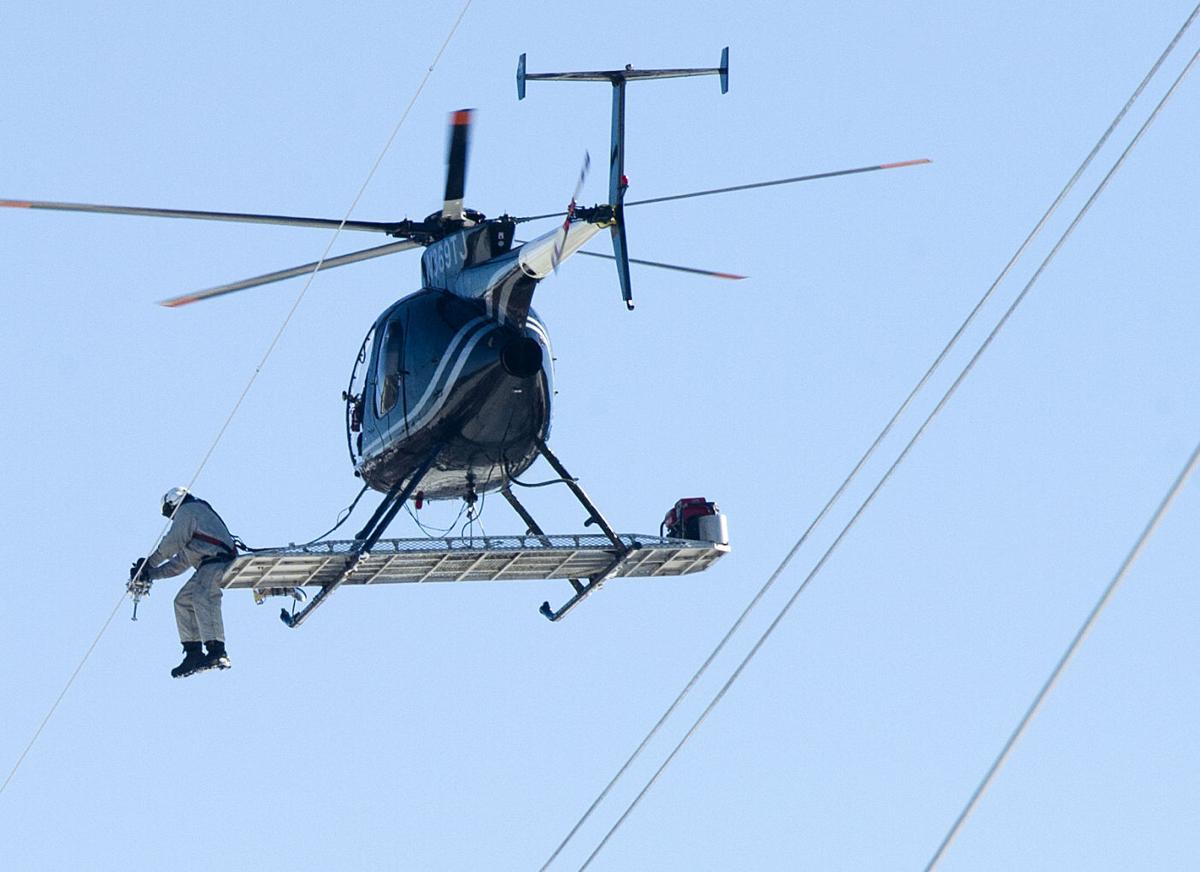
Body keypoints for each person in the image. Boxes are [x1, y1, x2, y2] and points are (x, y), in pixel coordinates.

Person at [131, 487, 238, 678]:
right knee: (182, 601)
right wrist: (150, 574)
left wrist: (149, 563)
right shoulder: (196, 528)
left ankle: (217, 651)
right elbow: (179, 563)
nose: (172, 519)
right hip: (207, 563)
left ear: (174, 503)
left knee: (202, 596)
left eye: (171, 514)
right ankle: (193, 653)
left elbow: (172, 542)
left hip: (216, 560)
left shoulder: (189, 510)